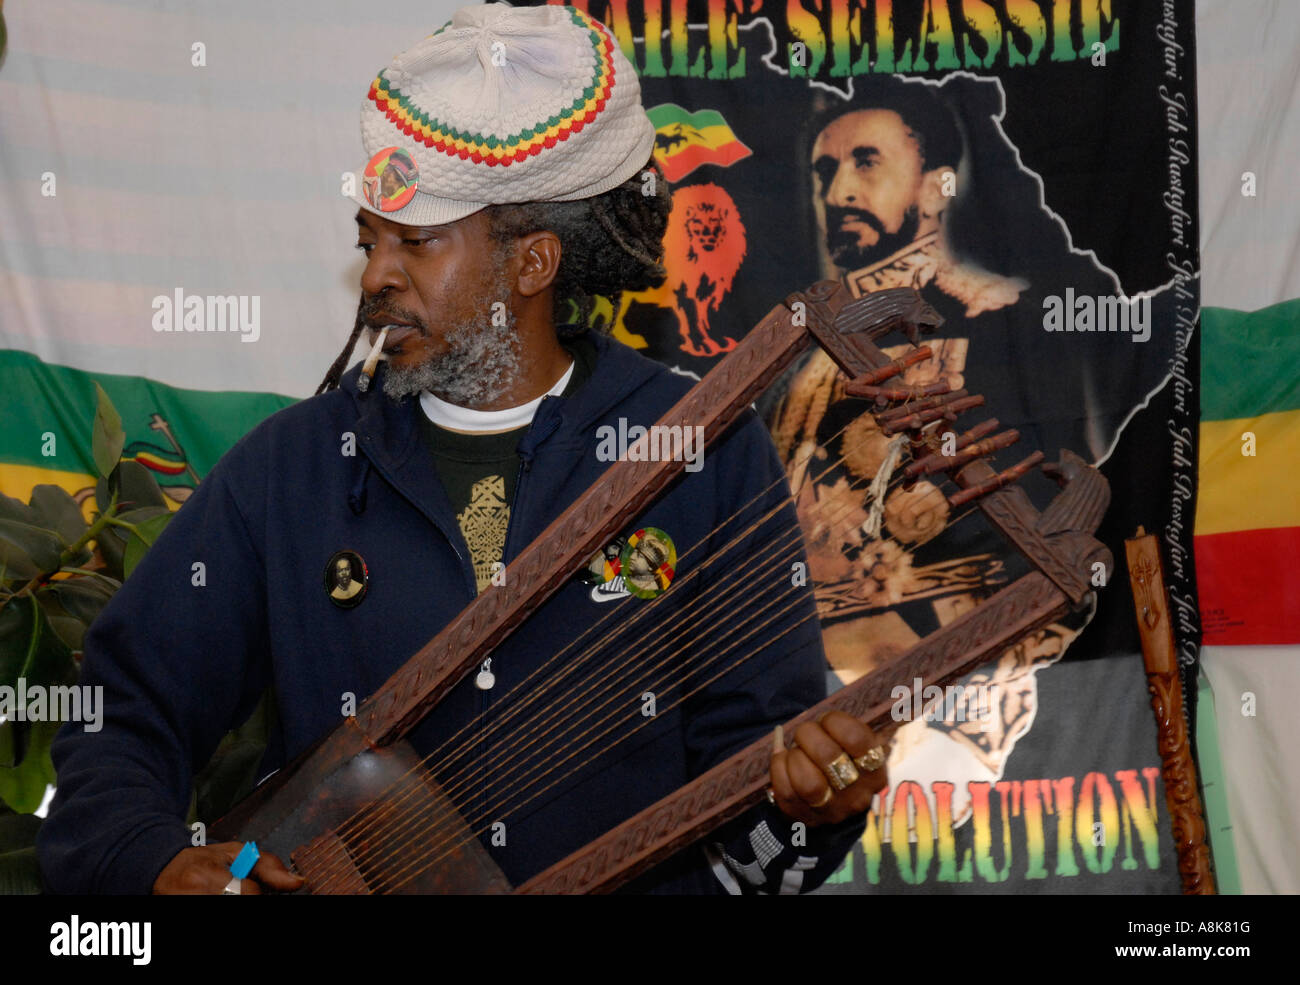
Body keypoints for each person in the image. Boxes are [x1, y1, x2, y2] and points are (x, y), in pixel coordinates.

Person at [38, 2, 887, 896]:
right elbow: (118, 716)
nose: (375, 275)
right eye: (370, 241)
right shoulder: (290, 472)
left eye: (416, 242)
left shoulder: (699, 449)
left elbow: (765, 801)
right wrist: (152, 860)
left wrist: (808, 805)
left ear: (531, 265)